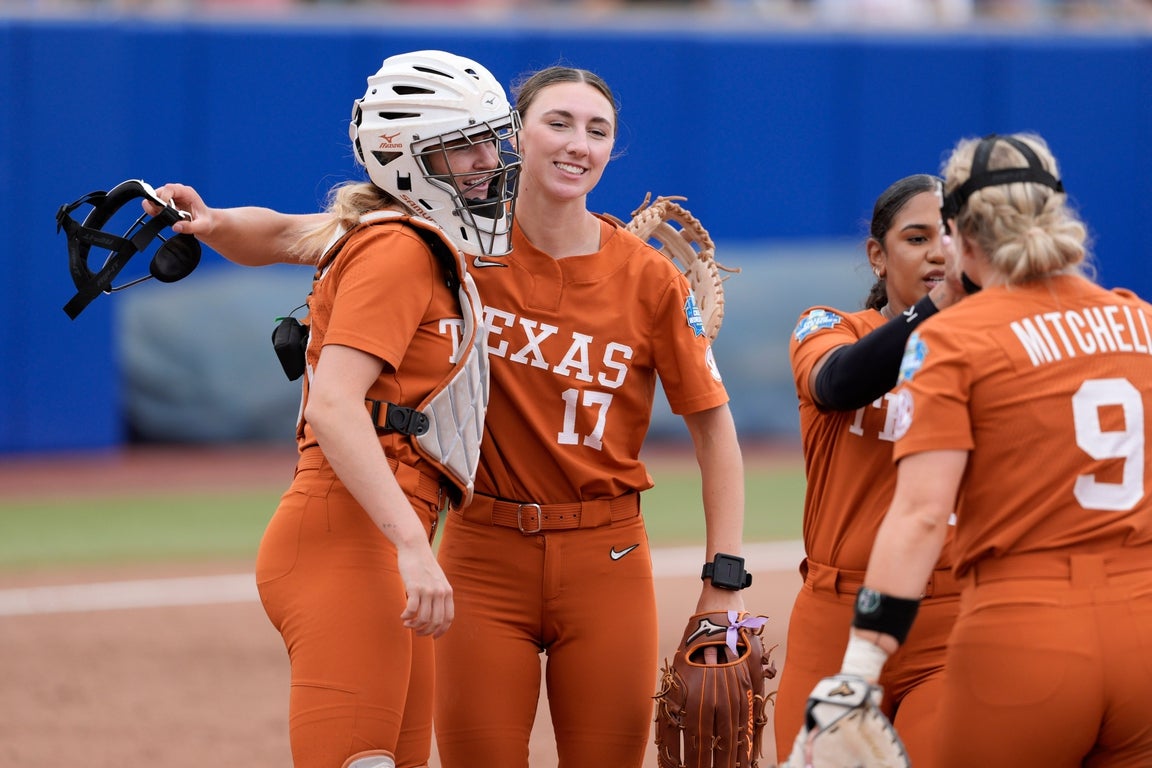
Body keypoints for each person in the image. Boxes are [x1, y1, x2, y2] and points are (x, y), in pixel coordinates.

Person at [151, 65, 748, 768]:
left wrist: (724, 578)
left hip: (607, 554)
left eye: (598, 130)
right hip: (479, 549)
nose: (578, 143)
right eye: (558, 122)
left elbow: (714, 429)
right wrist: (215, 223)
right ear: (512, 136)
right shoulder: (446, 236)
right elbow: (288, 233)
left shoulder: (648, 278)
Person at [214, 50, 520, 768]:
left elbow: (286, 232)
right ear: (406, 158)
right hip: (350, 537)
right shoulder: (400, 250)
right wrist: (412, 549)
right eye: (463, 145)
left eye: (490, 139)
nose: (488, 160)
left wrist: (211, 222)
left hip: (372, 533)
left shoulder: (391, 230)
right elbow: (335, 407)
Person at [819, 132, 1152, 765]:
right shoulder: (1139, 319)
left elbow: (919, 516)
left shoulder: (952, 339)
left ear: (957, 233)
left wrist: (860, 668)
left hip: (1026, 628)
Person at [775, 173, 966, 765]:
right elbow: (838, 383)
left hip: (953, 617)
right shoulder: (832, 327)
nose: (939, 251)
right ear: (877, 256)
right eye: (917, 237)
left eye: (954, 235)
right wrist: (939, 307)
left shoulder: (990, 348)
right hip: (836, 614)